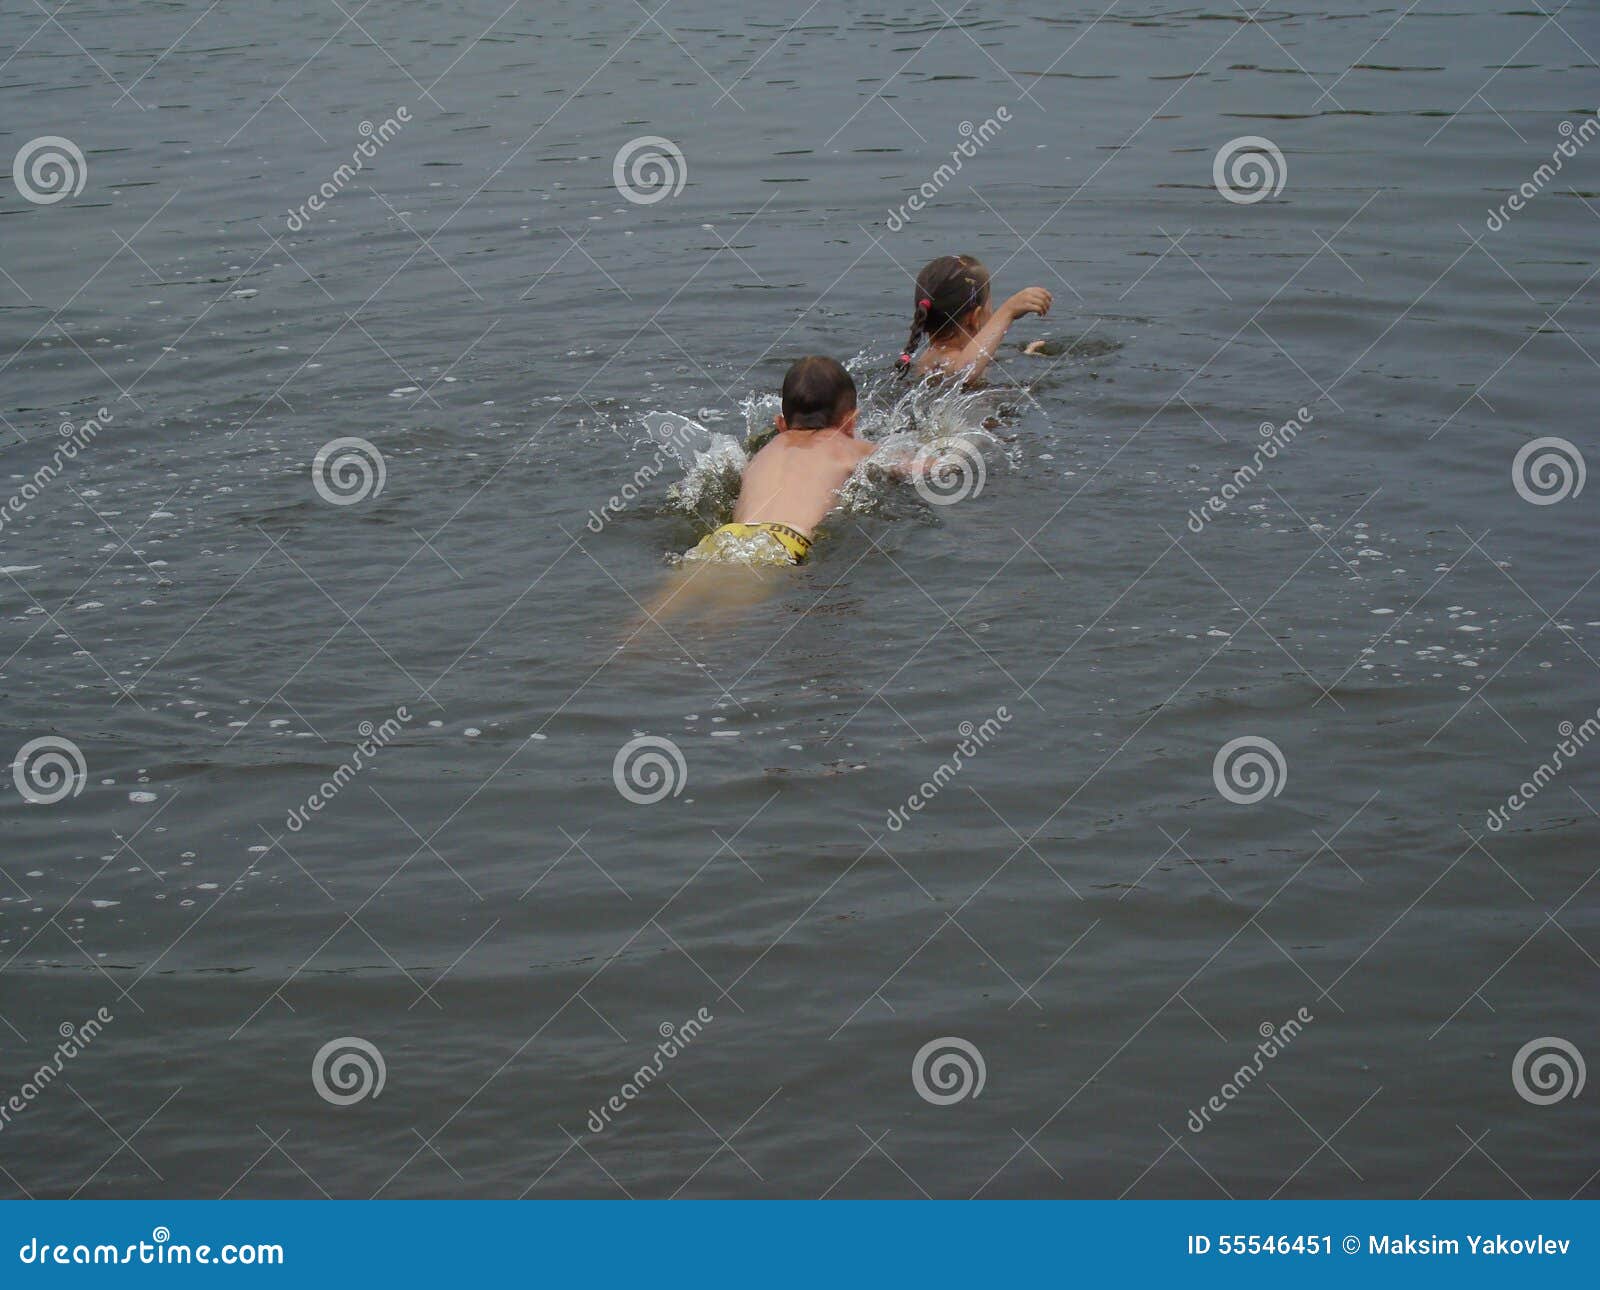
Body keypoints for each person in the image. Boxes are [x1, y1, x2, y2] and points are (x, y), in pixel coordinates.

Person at [683, 355, 874, 567]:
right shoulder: (846, 447)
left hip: (726, 538)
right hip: (783, 541)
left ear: (781, 424)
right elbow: (905, 464)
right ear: (850, 422)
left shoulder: (766, 450)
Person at [895, 254, 1052, 382]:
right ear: (975, 318)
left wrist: (1023, 356)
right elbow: (963, 372)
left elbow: (980, 358)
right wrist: (1007, 312)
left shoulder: (930, 356)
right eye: (991, 308)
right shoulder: (947, 359)